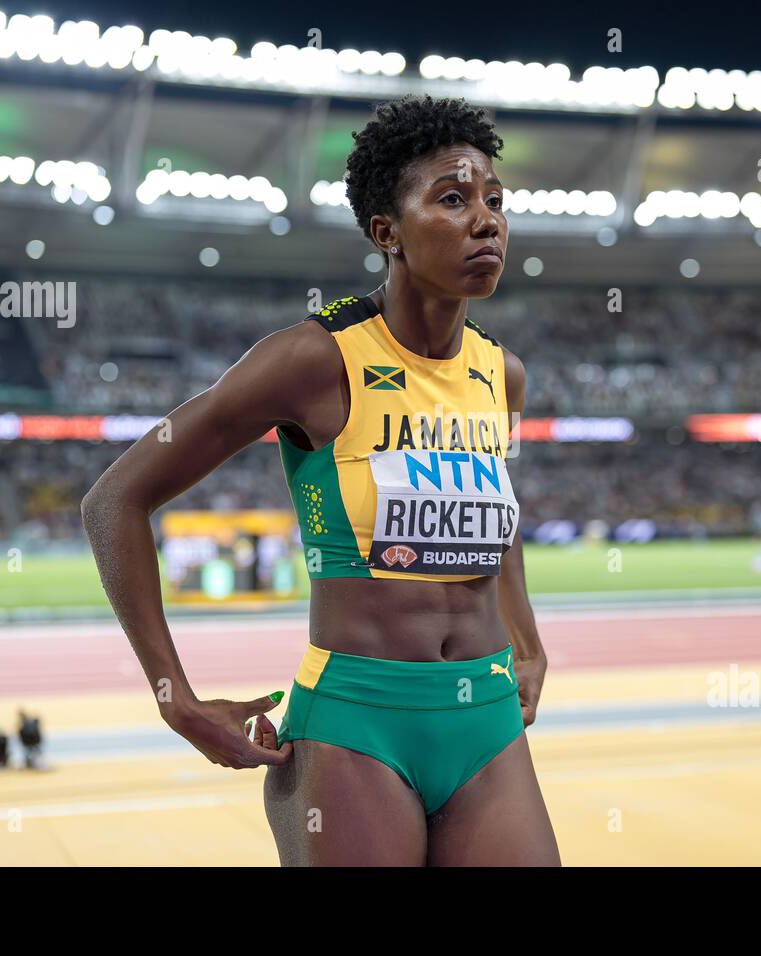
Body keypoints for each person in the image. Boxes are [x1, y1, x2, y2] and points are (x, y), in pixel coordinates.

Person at [82, 95, 559, 866]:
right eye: (452, 198)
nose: (487, 220)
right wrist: (174, 695)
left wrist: (530, 645)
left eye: (495, 201)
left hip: (486, 717)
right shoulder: (314, 360)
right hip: (356, 726)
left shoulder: (501, 375)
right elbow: (115, 500)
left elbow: (492, 523)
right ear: (386, 232)